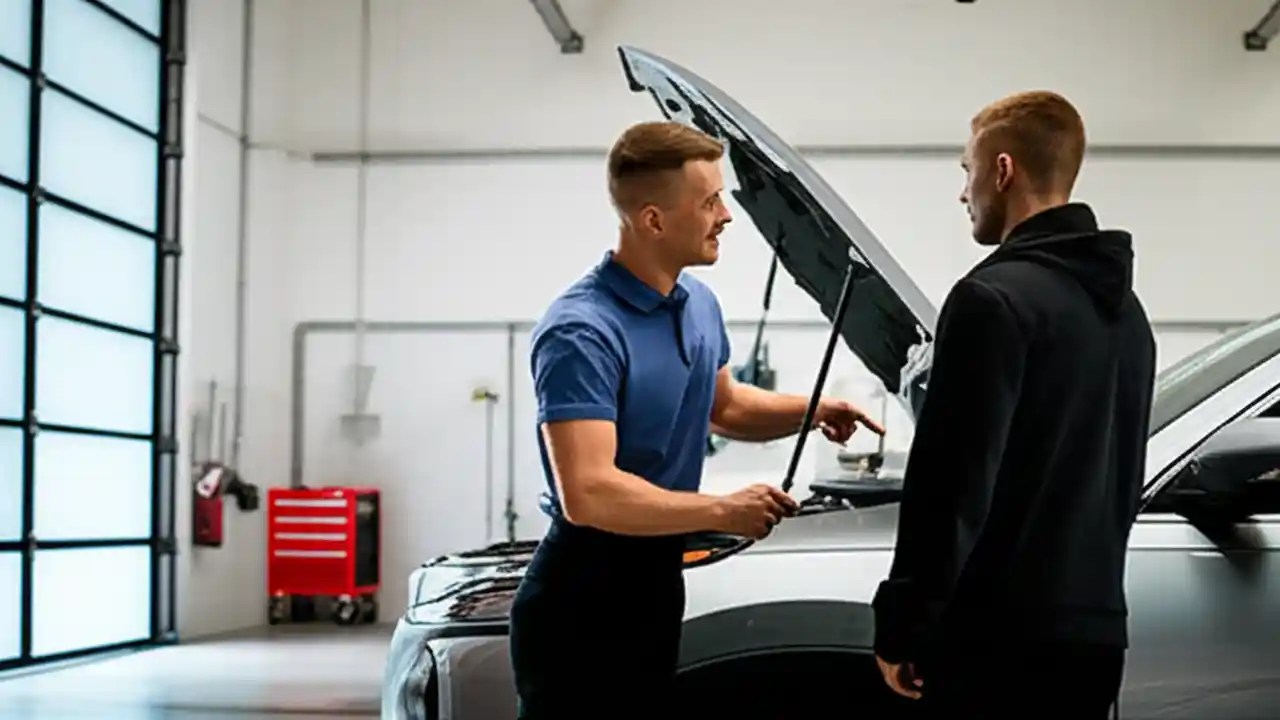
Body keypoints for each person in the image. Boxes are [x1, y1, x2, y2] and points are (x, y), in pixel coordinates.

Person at [507, 120, 886, 718]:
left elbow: (725, 406)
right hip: (584, 594)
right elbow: (588, 491)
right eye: (709, 201)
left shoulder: (698, 304)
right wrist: (723, 510)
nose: (726, 215)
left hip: (655, 583)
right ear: (653, 219)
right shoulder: (581, 329)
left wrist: (813, 412)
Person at [871, 91, 1157, 718]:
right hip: (1096, 638)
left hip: (997, 645)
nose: (963, 193)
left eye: (966, 172)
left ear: (1002, 170)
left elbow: (953, 485)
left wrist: (904, 624)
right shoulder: (1126, 313)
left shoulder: (991, 301)